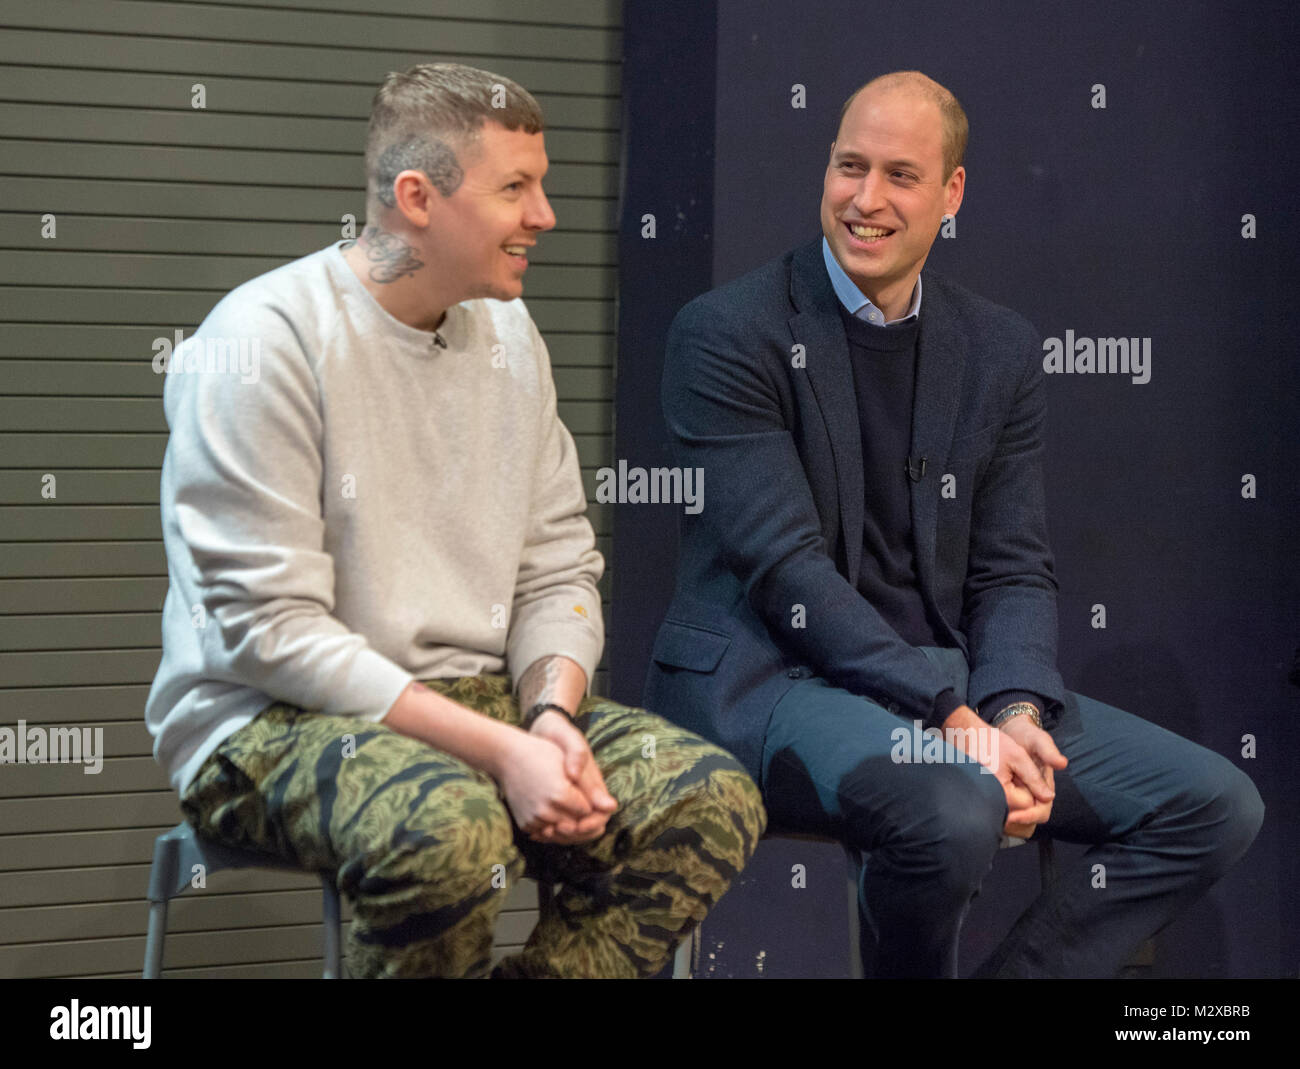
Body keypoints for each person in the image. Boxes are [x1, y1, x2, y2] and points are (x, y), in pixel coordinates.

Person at [145, 62, 764, 979]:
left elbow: (558, 568)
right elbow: (267, 633)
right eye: (516, 187)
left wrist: (550, 717)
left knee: (707, 795)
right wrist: (503, 751)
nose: (545, 214)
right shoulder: (262, 341)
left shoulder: (511, 339)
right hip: (266, 722)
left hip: (483, 703)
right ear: (415, 198)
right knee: (452, 832)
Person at [644, 70, 1263, 978]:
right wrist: (953, 715)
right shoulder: (728, 332)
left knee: (1216, 803)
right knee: (959, 803)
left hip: (954, 692)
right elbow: (789, 574)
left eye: (900, 175)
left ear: (951, 193)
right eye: (848, 167)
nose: (866, 199)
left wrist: (1010, 708)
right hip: (769, 678)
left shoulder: (999, 347)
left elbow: (1013, 568)